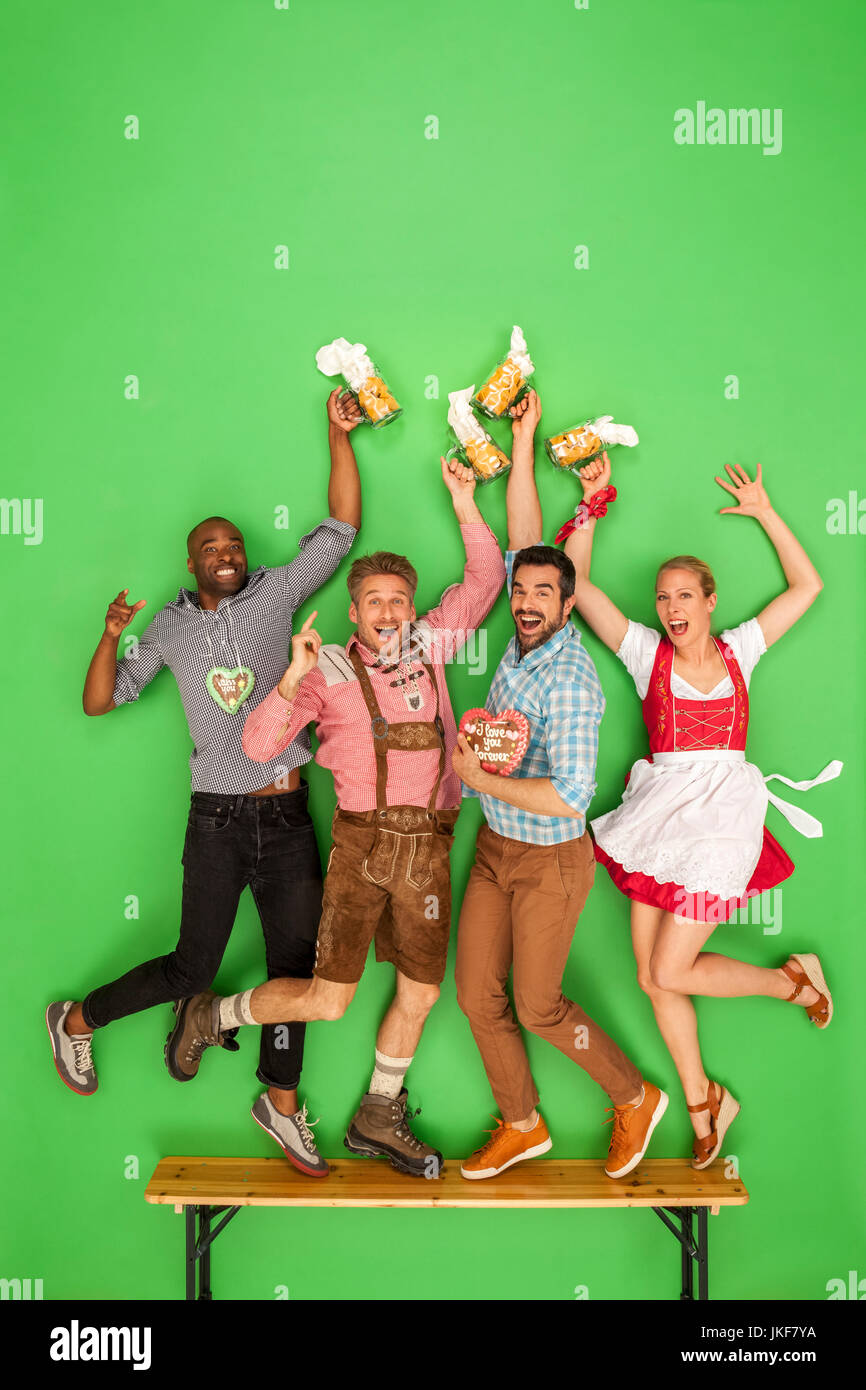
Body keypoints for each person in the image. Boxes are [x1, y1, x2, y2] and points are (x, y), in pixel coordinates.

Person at [46, 390, 362, 1178]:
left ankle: (281, 1107)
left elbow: (343, 528)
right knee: (195, 966)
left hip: (289, 816)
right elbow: (102, 699)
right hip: (216, 820)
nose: (226, 550)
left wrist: (334, 430)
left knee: (297, 972)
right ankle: (76, 1017)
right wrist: (111, 636)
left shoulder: (277, 593)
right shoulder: (168, 627)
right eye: (210, 544)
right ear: (191, 563)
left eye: (234, 541)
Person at [175, 452, 506, 1177]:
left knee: (422, 992)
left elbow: (487, 581)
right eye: (374, 601)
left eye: (399, 599)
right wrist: (293, 675)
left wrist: (463, 500)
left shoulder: (433, 646)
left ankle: (378, 1111)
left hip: (428, 848)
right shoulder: (323, 668)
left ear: (412, 608)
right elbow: (260, 745)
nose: (388, 612)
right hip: (359, 849)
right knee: (328, 1002)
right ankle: (212, 1014)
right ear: (353, 612)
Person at [563, 452, 841, 1169]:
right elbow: (580, 586)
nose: (672, 608)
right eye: (663, 598)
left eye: (684, 595)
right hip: (657, 814)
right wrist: (591, 503)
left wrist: (765, 511)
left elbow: (807, 585)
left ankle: (790, 982)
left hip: (722, 814)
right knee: (653, 977)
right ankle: (702, 1103)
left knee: (674, 970)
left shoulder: (741, 650)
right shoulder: (644, 653)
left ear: (709, 601)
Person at [452, 390, 668, 1182]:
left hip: (550, 860)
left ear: (569, 604)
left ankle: (633, 1095)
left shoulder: (572, 678)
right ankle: (522, 1122)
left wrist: (476, 775)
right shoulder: (522, 630)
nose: (528, 601)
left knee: (539, 1005)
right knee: (478, 995)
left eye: (545, 593)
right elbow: (523, 536)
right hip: (495, 851)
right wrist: (524, 432)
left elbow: (572, 797)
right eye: (521, 591)